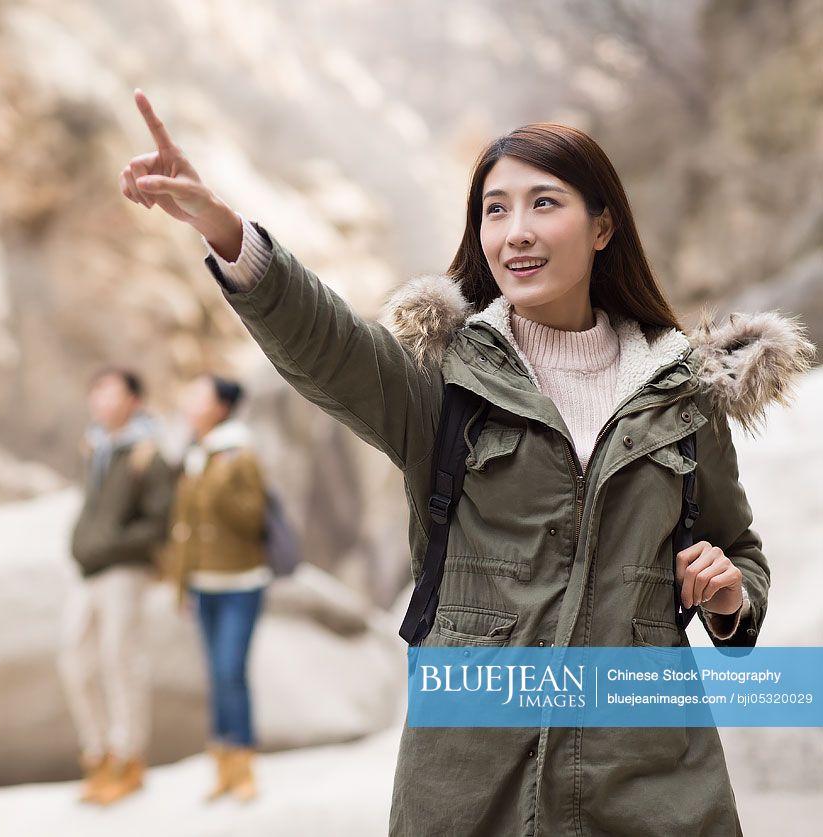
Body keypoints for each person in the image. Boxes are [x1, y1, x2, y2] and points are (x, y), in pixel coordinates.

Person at [118, 91, 815, 835]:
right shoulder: (442, 381)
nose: (515, 232)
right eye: (494, 209)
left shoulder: (682, 397)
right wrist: (222, 227)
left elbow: (738, 553)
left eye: (543, 203)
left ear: (602, 225)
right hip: (471, 782)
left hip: (651, 784)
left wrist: (727, 596)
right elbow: (329, 344)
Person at [60, 367, 175, 805]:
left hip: (125, 570)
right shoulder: (95, 447)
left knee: (120, 659)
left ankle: (129, 759)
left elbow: (160, 521)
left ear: (134, 400)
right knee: (73, 659)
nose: (100, 401)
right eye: (96, 392)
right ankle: (98, 753)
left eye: (110, 393)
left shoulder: (149, 454)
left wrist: (111, 543)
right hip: (88, 570)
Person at [169, 374, 269, 802]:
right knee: (215, 676)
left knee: (231, 671)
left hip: (241, 584)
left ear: (220, 408)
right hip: (203, 585)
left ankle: (244, 764)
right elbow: (184, 528)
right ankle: (223, 767)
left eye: (199, 398)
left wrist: (219, 482)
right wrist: (181, 585)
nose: (190, 405)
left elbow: (252, 519)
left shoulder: (239, 454)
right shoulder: (198, 454)